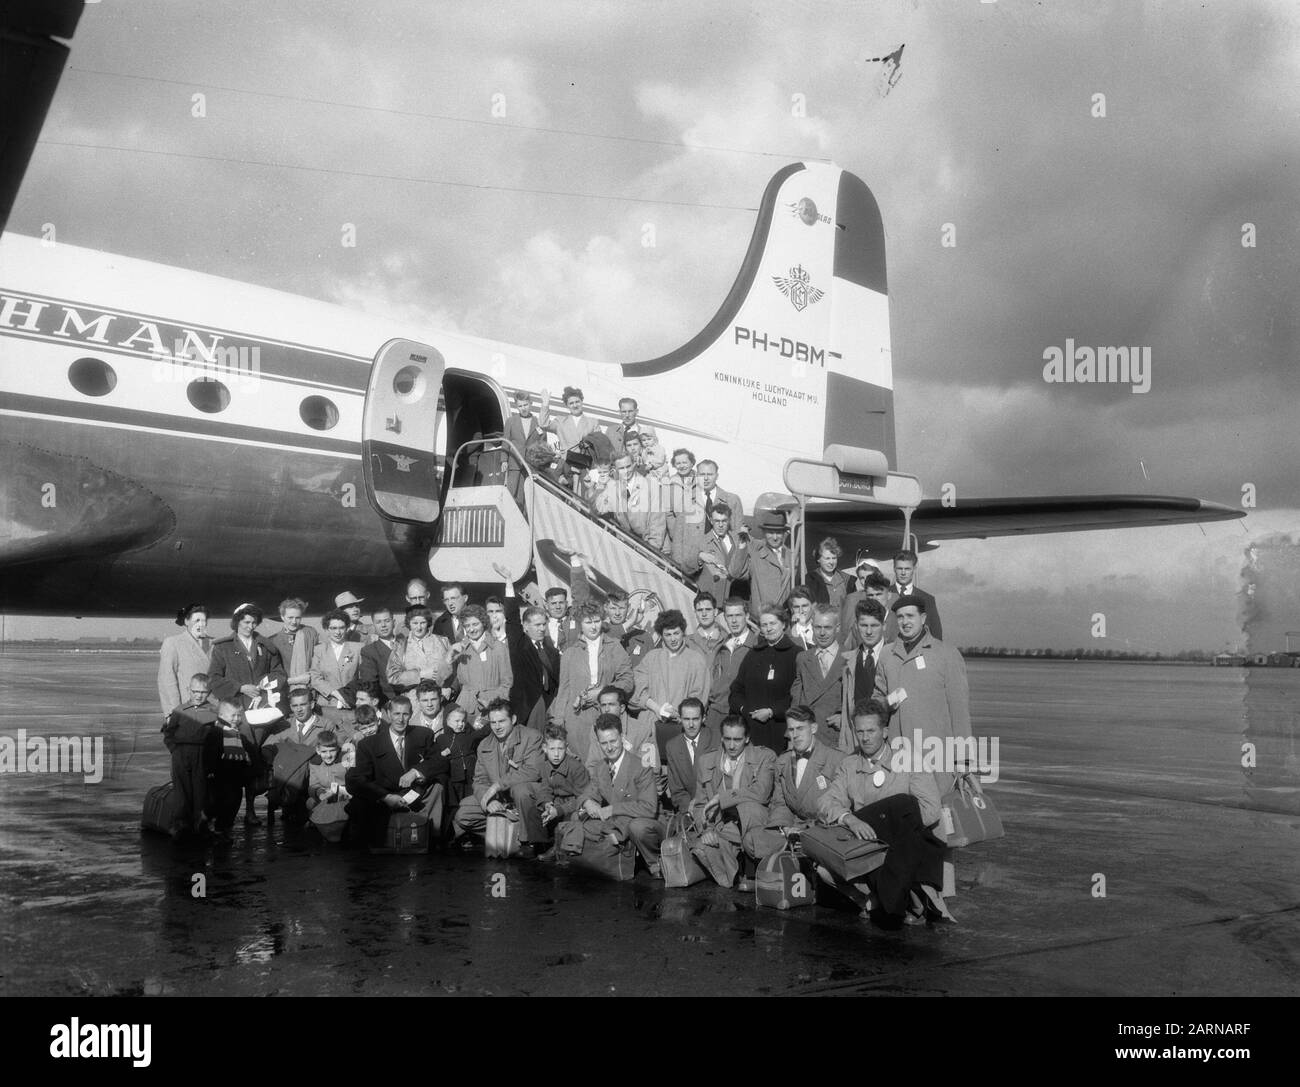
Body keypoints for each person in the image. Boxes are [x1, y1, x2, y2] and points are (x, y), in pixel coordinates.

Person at [820, 698, 952, 926]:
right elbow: (825, 802)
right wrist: (850, 819)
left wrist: (885, 820)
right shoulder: (849, 765)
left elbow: (930, 811)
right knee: (823, 867)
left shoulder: (910, 761)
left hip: (904, 844)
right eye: (860, 731)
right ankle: (870, 898)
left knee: (902, 805)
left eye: (871, 730)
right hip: (865, 843)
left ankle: (907, 899)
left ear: (885, 731)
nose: (865, 737)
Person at [874, 596, 971, 792]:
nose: (905, 622)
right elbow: (876, 702)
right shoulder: (886, 654)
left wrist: (962, 759)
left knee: (936, 815)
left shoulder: (947, 655)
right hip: (897, 755)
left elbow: (959, 711)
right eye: (900, 617)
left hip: (935, 756)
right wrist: (887, 702)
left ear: (923, 617)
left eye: (910, 616)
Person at [207, 603, 286, 825]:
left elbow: (279, 674)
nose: (250, 626)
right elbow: (213, 678)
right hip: (235, 713)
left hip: (260, 713)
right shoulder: (222, 648)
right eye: (245, 622)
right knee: (236, 762)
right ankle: (226, 814)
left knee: (255, 761)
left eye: (253, 622)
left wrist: (266, 685)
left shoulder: (267, 647)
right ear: (237, 623)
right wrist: (241, 688)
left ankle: (251, 811)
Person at [744, 705, 844, 864]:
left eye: (800, 728)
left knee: (821, 845)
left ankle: (804, 861)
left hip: (823, 829)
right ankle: (790, 863)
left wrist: (809, 829)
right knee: (752, 840)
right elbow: (780, 802)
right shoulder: (782, 761)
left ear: (813, 728)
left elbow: (839, 805)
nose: (795, 735)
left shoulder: (835, 759)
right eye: (791, 730)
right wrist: (785, 827)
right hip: (793, 827)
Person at [345, 695, 448, 848]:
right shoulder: (369, 744)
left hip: (415, 793)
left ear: (411, 714)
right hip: (384, 796)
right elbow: (355, 780)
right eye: (396, 714)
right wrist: (385, 796)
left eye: (405, 714)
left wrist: (415, 771)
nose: (401, 719)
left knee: (439, 784)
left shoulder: (423, 734)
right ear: (388, 714)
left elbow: (440, 762)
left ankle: (431, 838)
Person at [690, 715, 776, 890]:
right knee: (702, 847)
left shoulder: (764, 757)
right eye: (727, 739)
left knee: (748, 808)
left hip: (754, 822)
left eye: (737, 740)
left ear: (747, 738)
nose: (731, 745)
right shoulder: (706, 761)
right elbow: (700, 804)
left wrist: (723, 798)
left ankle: (750, 871)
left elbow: (762, 794)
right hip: (721, 824)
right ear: (721, 738)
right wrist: (706, 829)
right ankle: (734, 871)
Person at [452, 699, 547, 857]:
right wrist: (488, 800)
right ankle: (507, 831)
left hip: (527, 798)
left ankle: (528, 841)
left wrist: (497, 785)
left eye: (502, 721)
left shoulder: (532, 737)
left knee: (520, 790)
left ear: (514, 719)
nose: (497, 727)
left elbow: (533, 771)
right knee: (464, 815)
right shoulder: (484, 745)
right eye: (493, 722)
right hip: (503, 801)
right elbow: (479, 780)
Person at [577, 715, 664, 877]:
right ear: (598, 743)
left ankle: (655, 862)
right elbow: (588, 793)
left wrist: (612, 809)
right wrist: (587, 802)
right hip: (620, 822)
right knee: (578, 819)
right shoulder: (601, 767)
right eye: (604, 743)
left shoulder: (641, 766)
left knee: (637, 828)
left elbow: (650, 809)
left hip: (646, 823)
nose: (609, 748)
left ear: (622, 738)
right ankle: (614, 857)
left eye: (613, 741)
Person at [551, 601, 633, 766]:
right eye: (588, 622)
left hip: (606, 714)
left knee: (606, 761)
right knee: (581, 763)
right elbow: (564, 690)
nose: (594, 627)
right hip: (577, 718)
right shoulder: (570, 652)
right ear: (581, 624)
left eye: (596, 621)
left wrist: (604, 691)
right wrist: (558, 721)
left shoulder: (614, 647)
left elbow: (628, 680)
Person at [631, 609, 710, 761]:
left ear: (683, 633)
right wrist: (656, 708)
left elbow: (699, 697)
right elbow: (636, 689)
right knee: (650, 775)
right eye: (668, 634)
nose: (673, 638)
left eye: (676, 633)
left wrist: (678, 714)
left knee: (677, 775)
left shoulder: (696, 660)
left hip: (682, 730)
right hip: (650, 730)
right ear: (661, 636)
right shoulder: (651, 657)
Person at [729, 605, 800, 754]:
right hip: (751, 729)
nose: (768, 628)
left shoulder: (796, 654)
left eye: (773, 623)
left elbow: (797, 695)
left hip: (780, 730)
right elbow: (736, 690)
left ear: (784, 624)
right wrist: (744, 709)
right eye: (764, 625)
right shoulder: (753, 654)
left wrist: (772, 711)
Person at [161, 672, 218, 840]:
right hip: (180, 754)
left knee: (201, 792)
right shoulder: (179, 710)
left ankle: (201, 825)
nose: (198, 696)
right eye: (195, 692)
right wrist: (174, 750)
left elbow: (216, 738)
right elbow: (168, 733)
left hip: (201, 754)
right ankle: (180, 826)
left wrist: (211, 761)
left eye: (202, 692)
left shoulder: (213, 712)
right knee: (181, 793)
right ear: (189, 690)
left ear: (208, 692)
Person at [448, 603, 513, 724]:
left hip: (492, 708)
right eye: (467, 626)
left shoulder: (498, 647)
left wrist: (494, 704)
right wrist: (448, 657)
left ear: (483, 623)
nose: (471, 629)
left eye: (475, 624)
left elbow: (506, 682)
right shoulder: (460, 648)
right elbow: (448, 680)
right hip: (466, 707)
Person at [790, 604, 846, 742]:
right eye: (817, 627)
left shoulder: (850, 657)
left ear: (837, 628)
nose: (822, 633)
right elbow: (796, 700)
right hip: (808, 737)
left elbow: (856, 699)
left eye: (827, 627)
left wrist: (845, 718)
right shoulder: (803, 658)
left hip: (836, 735)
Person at [838, 598, 888, 753]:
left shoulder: (894, 658)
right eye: (864, 625)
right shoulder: (848, 661)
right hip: (855, 743)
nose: (868, 631)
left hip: (888, 743)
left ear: (884, 626)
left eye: (874, 625)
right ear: (856, 626)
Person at [208, 699, 259, 842]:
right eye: (233, 716)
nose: (237, 719)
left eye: (239, 715)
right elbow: (210, 753)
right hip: (220, 777)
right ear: (222, 715)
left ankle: (224, 829)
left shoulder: (237, 733)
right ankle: (218, 830)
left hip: (236, 778)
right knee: (222, 804)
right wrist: (210, 771)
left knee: (234, 803)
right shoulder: (217, 732)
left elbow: (246, 751)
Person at [705, 598, 756, 730]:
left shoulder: (756, 646)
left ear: (747, 616)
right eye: (730, 616)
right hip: (716, 713)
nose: (734, 621)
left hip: (743, 714)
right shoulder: (720, 645)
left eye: (738, 615)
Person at [537, 724, 592, 845]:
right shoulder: (545, 765)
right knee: (535, 811)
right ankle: (541, 844)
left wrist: (559, 810)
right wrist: (547, 804)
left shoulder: (576, 768)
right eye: (552, 749)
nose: (556, 754)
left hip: (576, 803)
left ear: (566, 747)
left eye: (560, 749)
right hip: (558, 801)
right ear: (544, 748)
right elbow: (545, 788)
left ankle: (561, 850)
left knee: (571, 818)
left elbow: (583, 798)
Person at [662, 696, 717, 814]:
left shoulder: (716, 741)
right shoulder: (672, 746)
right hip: (688, 811)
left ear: (703, 718)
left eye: (695, 719)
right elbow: (676, 789)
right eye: (686, 719)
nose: (691, 725)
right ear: (680, 719)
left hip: (715, 807)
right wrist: (689, 807)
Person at [386, 605, 455, 698]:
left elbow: (457, 669)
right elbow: (393, 677)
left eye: (423, 623)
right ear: (409, 623)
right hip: (413, 701)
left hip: (441, 697)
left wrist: (451, 689)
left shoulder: (443, 641)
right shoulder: (401, 647)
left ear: (428, 623)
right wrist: (420, 674)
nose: (419, 627)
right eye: (415, 623)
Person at [158, 603, 212, 718]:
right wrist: (173, 712)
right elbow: (167, 681)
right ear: (187, 622)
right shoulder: (173, 643)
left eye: (204, 621)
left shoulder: (215, 644)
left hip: (212, 708)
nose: (200, 624)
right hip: (186, 710)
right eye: (197, 620)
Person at [610, 447, 667, 550]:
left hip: (652, 547)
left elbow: (657, 521)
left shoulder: (651, 486)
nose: (626, 471)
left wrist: (651, 550)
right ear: (615, 470)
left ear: (634, 464)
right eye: (621, 468)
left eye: (628, 466)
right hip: (630, 546)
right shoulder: (615, 488)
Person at [663, 448, 706, 575]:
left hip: (698, 533)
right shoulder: (670, 484)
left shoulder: (701, 481)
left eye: (685, 462)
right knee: (680, 568)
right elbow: (669, 513)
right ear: (674, 465)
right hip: (679, 535)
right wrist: (675, 533)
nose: (682, 466)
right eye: (678, 463)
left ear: (692, 463)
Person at [740, 511, 793, 614]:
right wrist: (741, 544)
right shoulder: (755, 556)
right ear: (764, 533)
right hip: (763, 619)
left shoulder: (794, 556)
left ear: (784, 534)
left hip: (787, 619)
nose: (775, 537)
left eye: (778, 533)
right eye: (770, 532)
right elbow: (737, 573)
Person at [310, 608, 359, 718]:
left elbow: (362, 678)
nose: (337, 632)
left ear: (347, 628)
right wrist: (337, 694)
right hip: (327, 705)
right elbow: (315, 677)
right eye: (333, 628)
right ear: (326, 629)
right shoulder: (319, 650)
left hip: (351, 705)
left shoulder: (357, 648)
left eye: (341, 628)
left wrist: (348, 696)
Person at [696, 504, 748, 605]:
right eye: (717, 521)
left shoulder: (739, 540)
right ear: (711, 520)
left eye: (724, 521)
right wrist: (699, 556)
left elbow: (746, 571)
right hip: (713, 600)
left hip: (737, 598)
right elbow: (687, 566)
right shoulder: (702, 542)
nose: (720, 525)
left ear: (729, 521)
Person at [504, 388, 546, 499]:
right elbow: (506, 442)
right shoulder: (510, 421)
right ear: (517, 407)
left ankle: (524, 516)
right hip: (515, 462)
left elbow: (542, 445)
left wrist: (540, 465)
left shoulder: (538, 422)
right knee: (511, 492)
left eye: (526, 405)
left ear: (531, 404)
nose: (523, 408)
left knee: (527, 494)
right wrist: (504, 460)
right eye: (520, 406)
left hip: (530, 464)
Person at [892, 549, 942, 640]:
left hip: (918, 652)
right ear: (894, 569)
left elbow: (936, 635)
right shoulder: (883, 595)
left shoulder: (927, 599)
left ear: (914, 569)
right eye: (900, 568)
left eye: (907, 569)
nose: (903, 573)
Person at [268, 597, 316, 693]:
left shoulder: (310, 633)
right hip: (284, 690)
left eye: (297, 618)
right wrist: (296, 680)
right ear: (282, 617)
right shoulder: (273, 640)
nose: (294, 622)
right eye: (290, 618)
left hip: (310, 688)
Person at [839, 568, 897, 647]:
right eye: (870, 595)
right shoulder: (858, 624)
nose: (874, 598)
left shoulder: (898, 622)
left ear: (889, 595)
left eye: (879, 594)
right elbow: (848, 651)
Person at [538, 385, 600, 455]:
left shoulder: (593, 422)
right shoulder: (560, 421)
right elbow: (543, 424)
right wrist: (545, 404)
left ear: (582, 402)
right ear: (567, 406)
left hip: (586, 462)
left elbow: (599, 445)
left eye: (577, 402)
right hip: (567, 462)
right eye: (571, 403)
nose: (575, 405)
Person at [357, 606, 399, 706]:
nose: (383, 625)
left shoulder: (408, 644)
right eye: (378, 622)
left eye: (387, 621)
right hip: (389, 703)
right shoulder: (369, 651)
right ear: (374, 625)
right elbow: (370, 683)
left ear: (394, 622)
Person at [306, 731, 350, 812]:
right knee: (310, 802)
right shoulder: (315, 763)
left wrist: (343, 791)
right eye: (324, 751)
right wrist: (320, 793)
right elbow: (313, 785)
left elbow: (355, 781)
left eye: (332, 751)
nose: (328, 755)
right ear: (318, 750)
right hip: (325, 795)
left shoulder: (346, 759)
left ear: (337, 748)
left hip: (345, 795)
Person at [807, 537, 851, 610]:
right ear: (818, 559)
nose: (831, 562)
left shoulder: (847, 579)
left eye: (834, 558)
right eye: (827, 558)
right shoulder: (810, 580)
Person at [687, 592, 725, 660]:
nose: (704, 614)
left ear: (715, 612)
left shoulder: (726, 640)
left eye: (708, 609)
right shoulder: (687, 643)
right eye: (700, 610)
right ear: (695, 613)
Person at [543, 586, 579, 651]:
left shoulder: (576, 620)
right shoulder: (542, 627)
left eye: (561, 602)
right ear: (546, 606)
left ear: (566, 604)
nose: (558, 607)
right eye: (553, 603)